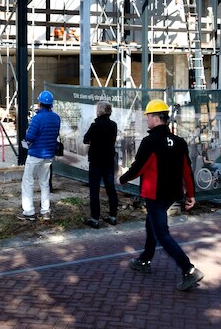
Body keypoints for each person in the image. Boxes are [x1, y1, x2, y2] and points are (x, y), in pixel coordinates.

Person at [119, 99, 204, 292]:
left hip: (155, 195)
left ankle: (189, 270)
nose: (147, 120)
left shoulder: (150, 142)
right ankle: (144, 259)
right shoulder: (179, 142)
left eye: (148, 116)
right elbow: (187, 171)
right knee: (152, 224)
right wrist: (191, 195)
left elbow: (138, 167)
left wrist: (122, 179)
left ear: (156, 118)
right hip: (172, 194)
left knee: (162, 234)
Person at [20, 90, 61, 221]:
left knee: (28, 181)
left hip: (35, 154)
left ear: (40, 103)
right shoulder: (56, 118)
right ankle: (45, 210)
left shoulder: (37, 118)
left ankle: (29, 211)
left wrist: (28, 135)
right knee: (44, 183)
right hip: (48, 154)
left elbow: (30, 136)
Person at [83, 100, 119, 228]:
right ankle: (113, 216)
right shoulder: (113, 125)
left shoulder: (95, 125)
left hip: (96, 161)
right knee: (111, 189)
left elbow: (85, 139)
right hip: (109, 161)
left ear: (100, 111)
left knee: (94, 190)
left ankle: (95, 219)